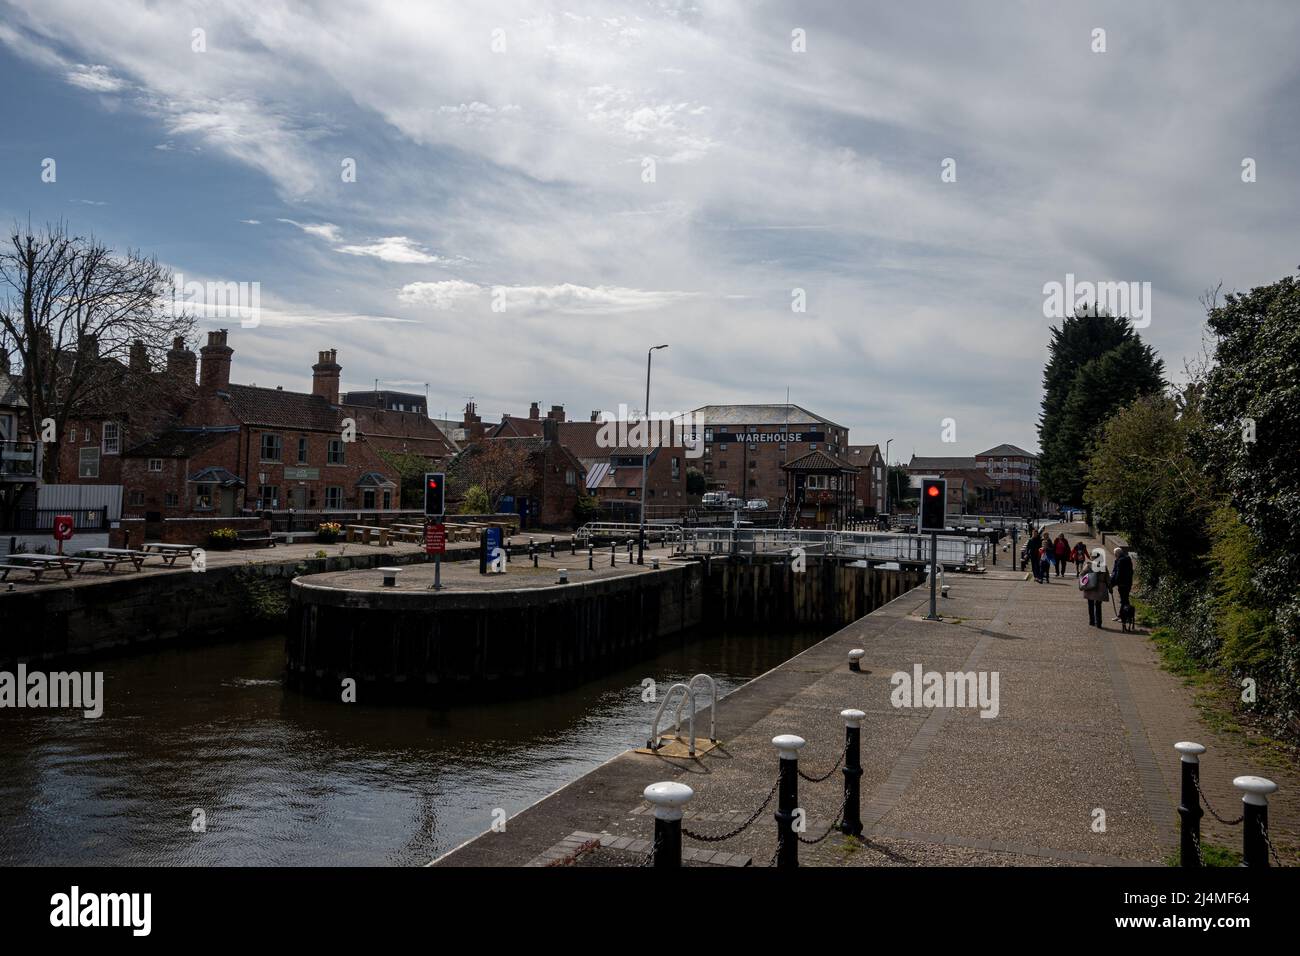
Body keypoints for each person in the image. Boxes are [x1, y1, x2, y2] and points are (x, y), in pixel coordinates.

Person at [1081, 547, 1110, 627]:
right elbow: (1107, 578)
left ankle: (1092, 621)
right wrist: (1110, 588)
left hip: (1090, 586)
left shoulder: (1089, 565)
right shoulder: (1103, 566)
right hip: (1101, 587)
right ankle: (1099, 622)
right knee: (1098, 605)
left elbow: (1082, 574)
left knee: (1090, 604)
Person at [1111, 547, 1134, 620]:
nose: (1115, 556)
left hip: (1122, 584)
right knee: (1125, 600)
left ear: (1117, 554)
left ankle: (1124, 616)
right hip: (1128, 583)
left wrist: (1112, 584)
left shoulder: (1120, 561)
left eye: (1115, 554)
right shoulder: (1127, 559)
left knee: (1124, 600)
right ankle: (1124, 615)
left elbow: (1118, 574)